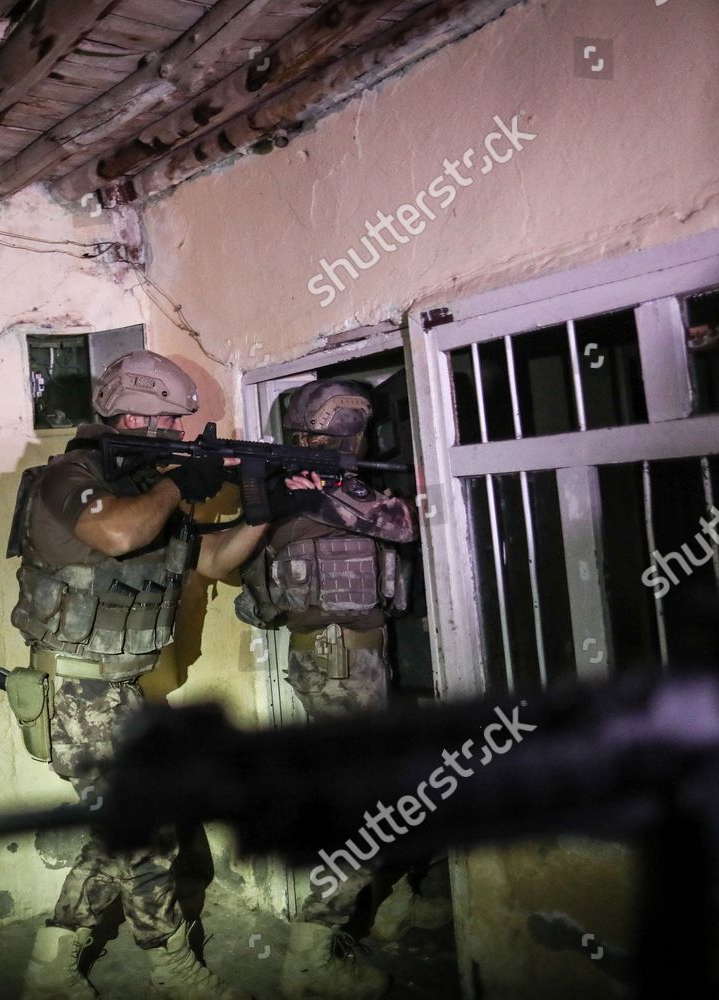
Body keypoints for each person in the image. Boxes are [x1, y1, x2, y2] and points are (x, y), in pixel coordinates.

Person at [12, 350, 269, 1000]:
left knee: (117, 835)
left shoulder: (145, 492)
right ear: (132, 413)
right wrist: (181, 483)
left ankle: (49, 965)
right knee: (150, 838)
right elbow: (119, 536)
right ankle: (175, 971)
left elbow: (211, 559)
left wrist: (264, 507)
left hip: (114, 689)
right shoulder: (72, 476)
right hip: (75, 689)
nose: (180, 440)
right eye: (172, 426)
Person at [234, 378, 433, 1000]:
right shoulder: (299, 497)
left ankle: (390, 904)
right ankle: (311, 953)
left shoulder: (324, 491)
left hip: (361, 659)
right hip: (335, 662)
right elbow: (405, 523)